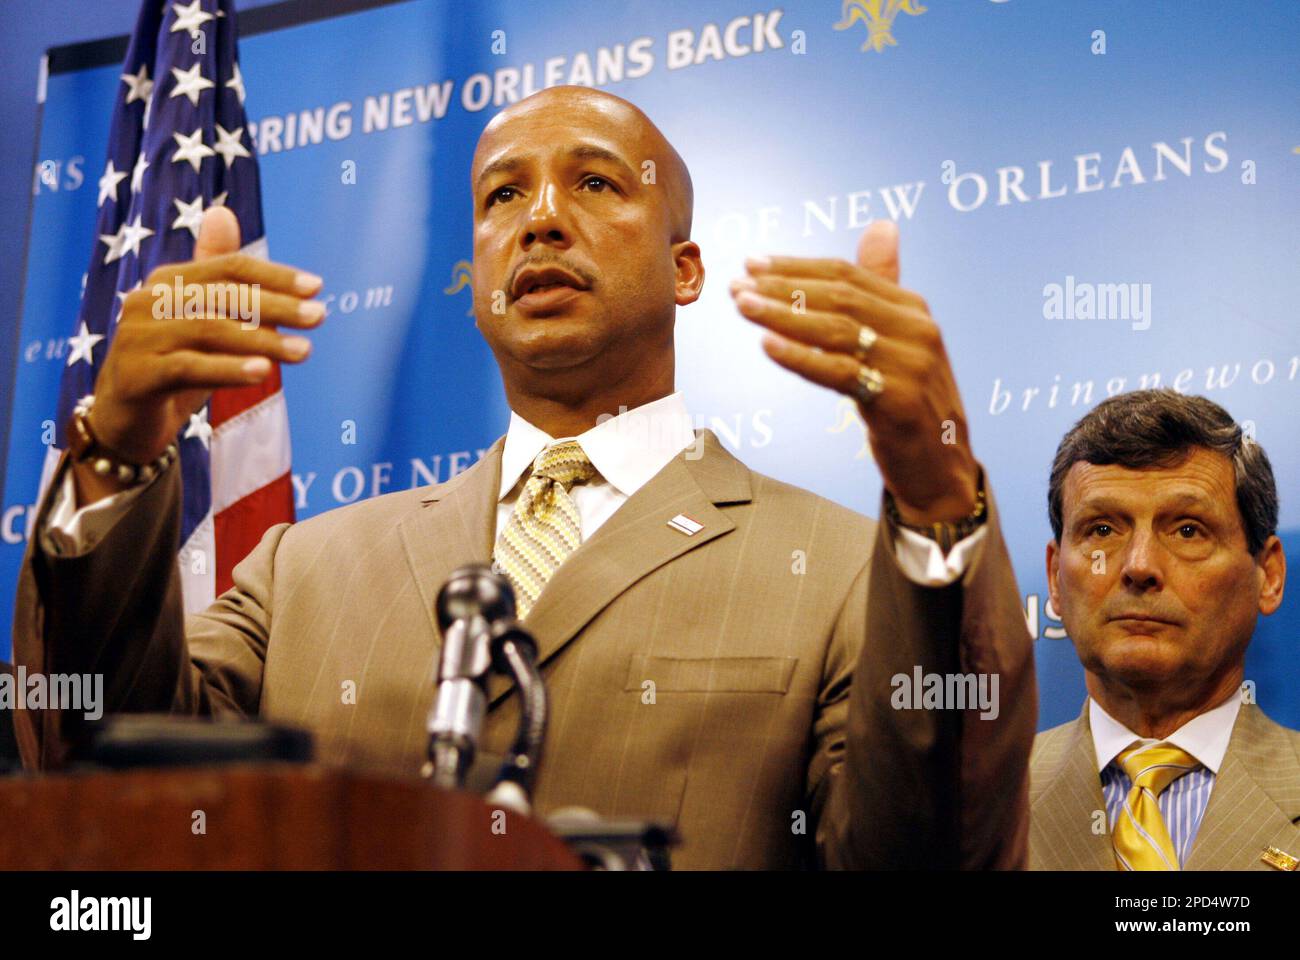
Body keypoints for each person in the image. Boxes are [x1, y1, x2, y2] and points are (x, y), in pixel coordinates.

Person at [13, 86, 1034, 869]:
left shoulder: (847, 572)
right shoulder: (303, 570)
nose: (540, 218)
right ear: (477, 274)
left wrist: (936, 497)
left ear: (685, 270)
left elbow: (926, 856)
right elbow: (99, 776)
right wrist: (115, 447)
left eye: (595, 183)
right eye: (504, 194)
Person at [1030, 389, 1297, 871]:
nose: (1139, 566)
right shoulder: (968, 807)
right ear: (1054, 577)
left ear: (1268, 575)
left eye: (1188, 530)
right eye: (1103, 530)